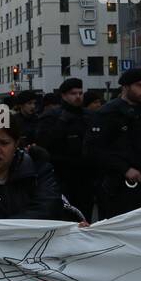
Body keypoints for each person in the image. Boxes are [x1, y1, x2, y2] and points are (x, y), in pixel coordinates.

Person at [88, 67, 141, 218]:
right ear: (126, 87)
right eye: (140, 85)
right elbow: (94, 149)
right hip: (120, 186)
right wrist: (124, 169)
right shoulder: (108, 113)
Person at [36, 78, 95, 220]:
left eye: (80, 93)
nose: (78, 97)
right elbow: (44, 143)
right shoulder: (52, 116)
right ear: (64, 95)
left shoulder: (89, 115)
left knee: (84, 216)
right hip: (61, 175)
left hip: (86, 175)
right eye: (73, 93)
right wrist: (62, 123)